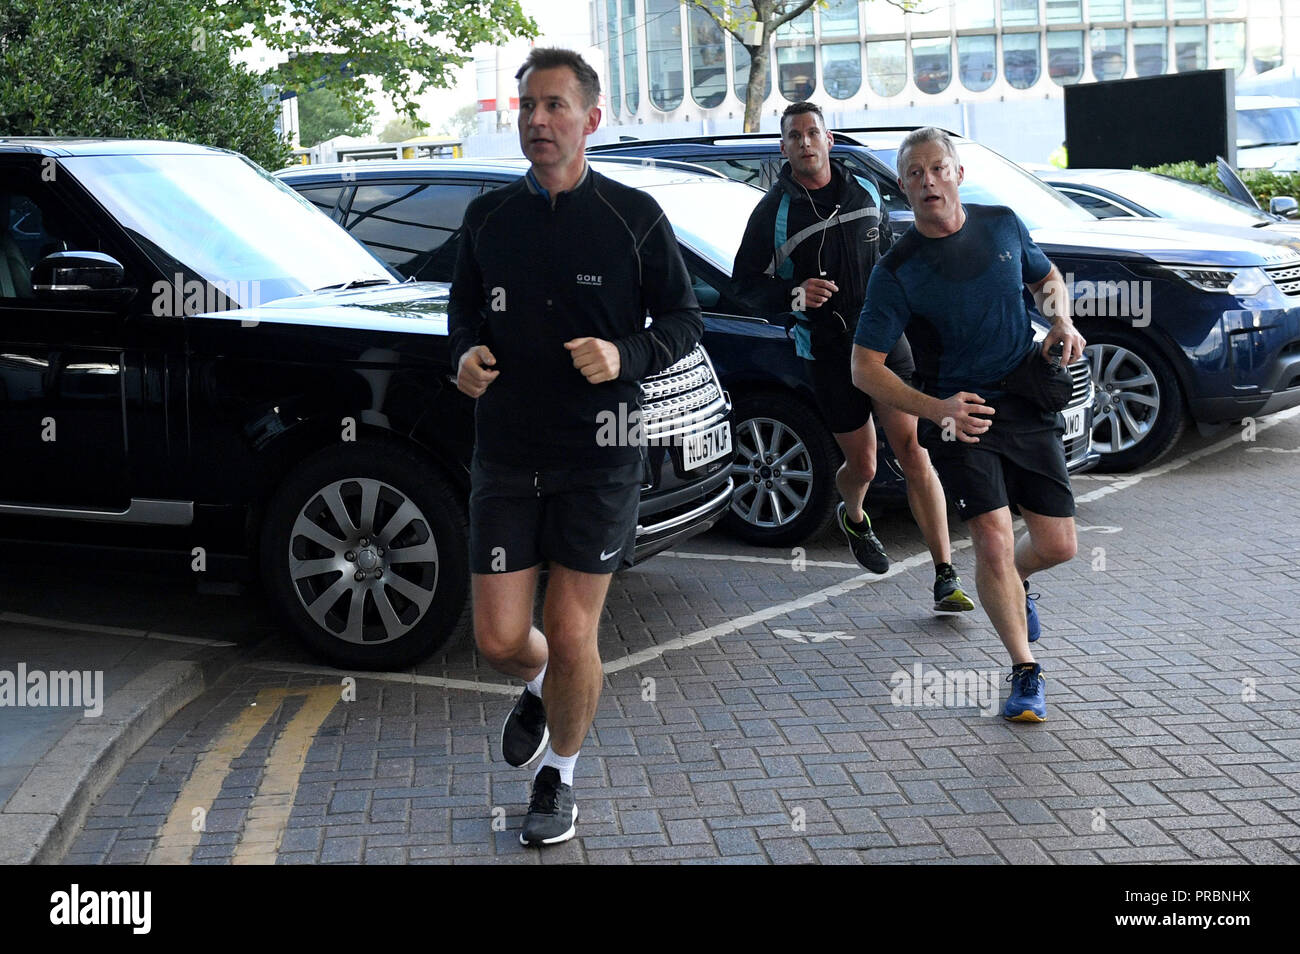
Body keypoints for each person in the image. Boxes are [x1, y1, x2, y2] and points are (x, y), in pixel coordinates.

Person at [448, 48, 703, 844]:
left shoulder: (633, 217)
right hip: (506, 452)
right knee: (496, 640)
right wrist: (460, 357)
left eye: (554, 106)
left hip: (601, 452)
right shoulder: (486, 218)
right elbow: (458, 317)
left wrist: (625, 355)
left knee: (571, 629)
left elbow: (686, 323)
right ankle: (541, 687)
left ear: (590, 120)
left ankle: (560, 775)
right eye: (528, 106)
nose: (536, 121)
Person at [852, 126, 1086, 722]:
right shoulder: (898, 269)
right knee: (991, 536)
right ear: (903, 187)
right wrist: (937, 409)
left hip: (1026, 394)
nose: (927, 181)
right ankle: (1024, 670)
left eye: (937, 169)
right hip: (961, 415)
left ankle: (1015, 581)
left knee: (1058, 544)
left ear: (957, 173)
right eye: (914, 174)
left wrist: (1060, 319)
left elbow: (1046, 277)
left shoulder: (1002, 223)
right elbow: (864, 369)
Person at [731, 102, 974, 613]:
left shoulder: (863, 190)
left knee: (912, 453)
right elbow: (744, 288)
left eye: (812, 132)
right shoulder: (773, 211)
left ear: (829, 140)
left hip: (886, 344)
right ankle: (855, 516)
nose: (804, 142)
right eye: (793, 136)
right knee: (861, 464)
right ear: (783, 148)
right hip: (826, 352)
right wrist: (794, 293)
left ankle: (945, 575)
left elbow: (892, 257)